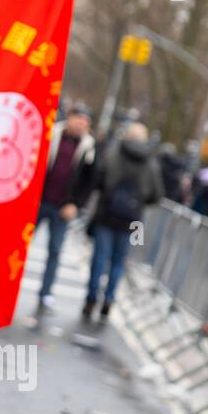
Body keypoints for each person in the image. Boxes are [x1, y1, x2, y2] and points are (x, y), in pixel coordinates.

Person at [84, 120, 162, 321]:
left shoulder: (114, 152)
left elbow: (99, 178)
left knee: (100, 258)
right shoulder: (150, 161)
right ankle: (109, 299)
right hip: (134, 220)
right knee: (119, 261)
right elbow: (156, 194)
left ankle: (92, 297)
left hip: (107, 215)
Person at [34, 104, 96, 313]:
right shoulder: (51, 134)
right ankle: (6, 285)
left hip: (63, 206)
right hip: (39, 200)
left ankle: (45, 292)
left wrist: (75, 204)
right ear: (69, 118)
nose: (81, 124)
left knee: (55, 250)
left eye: (85, 121)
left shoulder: (89, 147)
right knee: (20, 246)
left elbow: (89, 182)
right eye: (78, 118)